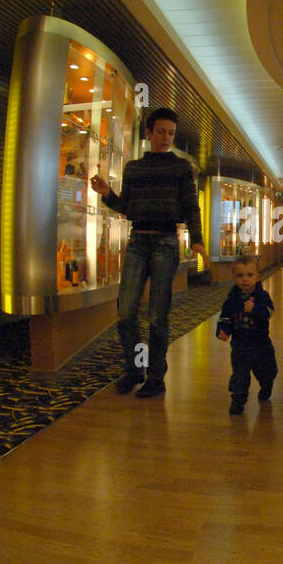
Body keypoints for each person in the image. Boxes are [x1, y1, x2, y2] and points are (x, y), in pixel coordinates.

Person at [90, 107, 207, 397]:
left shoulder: (181, 168)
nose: (166, 137)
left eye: (171, 133)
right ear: (149, 133)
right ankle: (133, 370)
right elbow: (126, 207)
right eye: (161, 131)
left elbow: (191, 205)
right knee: (126, 312)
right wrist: (108, 195)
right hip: (137, 242)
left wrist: (197, 237)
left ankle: (156, 378)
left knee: (158, 316)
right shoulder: (134, 168)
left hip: (166, 243)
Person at [216, 255, 277, 415]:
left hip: (261, 345)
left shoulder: (262, 296)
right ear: (234, 277)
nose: (245, 279)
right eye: (240, 276)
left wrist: (255, 309)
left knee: (267, 371)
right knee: (240, 375)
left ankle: (266, 385)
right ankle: (238, 400)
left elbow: (269, 312)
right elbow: (225, 317)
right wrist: (223, 330)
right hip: (240, 346)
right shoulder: (231, 300)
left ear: (257, 276)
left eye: (250, 275)